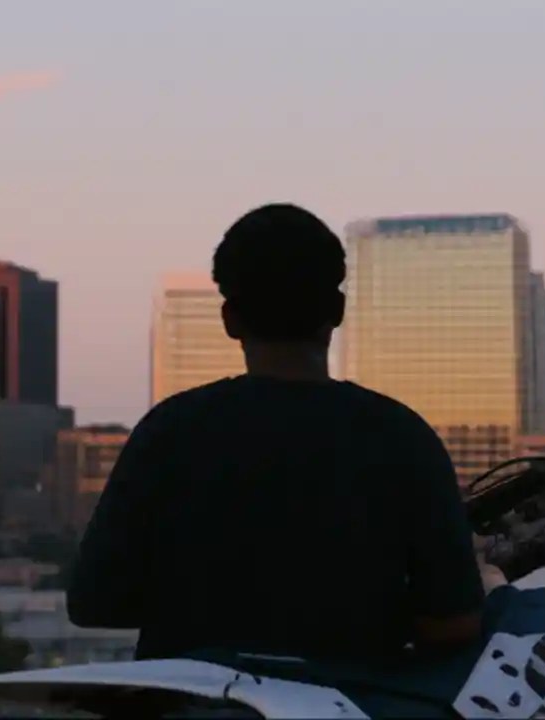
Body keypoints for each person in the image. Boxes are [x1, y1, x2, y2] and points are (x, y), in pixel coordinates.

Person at [67, 203, 486, 663]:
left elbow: (92, 602)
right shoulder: (404, 438)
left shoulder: (168, 432)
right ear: (338, 310)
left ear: (230, 319)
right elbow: (453, 622)